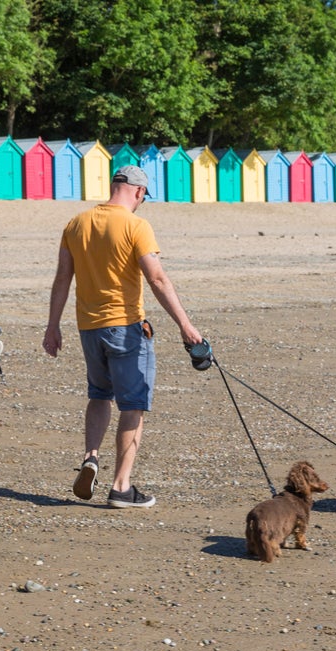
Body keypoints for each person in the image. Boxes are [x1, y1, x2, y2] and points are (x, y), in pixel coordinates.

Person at [43, 165, 203, 508]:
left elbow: (61, 279)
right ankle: (121, 487)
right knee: (132, 406)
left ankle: (90, 457)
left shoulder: (76, 223)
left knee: (99, 395)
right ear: (139, 191)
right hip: (126, 328)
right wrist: (186, 326)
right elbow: (157, 278)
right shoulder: (136, 226)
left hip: (88, 327)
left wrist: (52, 326)